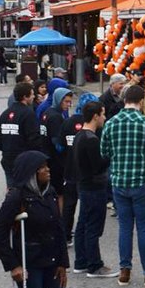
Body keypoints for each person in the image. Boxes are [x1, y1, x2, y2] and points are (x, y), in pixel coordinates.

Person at [99, 85, 145, 286]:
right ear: (142, 100)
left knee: (125, 227)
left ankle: (124, 271)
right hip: (142, 181)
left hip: (119, 182)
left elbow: (104, 152)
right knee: (144, 228)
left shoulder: (111, 123)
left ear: (125, 99)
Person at [0, 150, 69, 288]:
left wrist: (63, 263)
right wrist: (13, 265)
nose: (48, 169)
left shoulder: (50, 192)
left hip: (52, 261)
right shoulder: (16, 197)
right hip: (29, 264)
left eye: (47, 166)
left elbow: (59, 228)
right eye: (42, 167)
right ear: (31, 172)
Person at [71, 101, 117, 277]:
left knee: (83, 224)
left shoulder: (80, 136)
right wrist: (109, 155)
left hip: (84, 185)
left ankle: (81, 261)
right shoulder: (91, 139)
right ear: (95, 116)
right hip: (93, 187)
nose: (104, 118)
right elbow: (97, 166)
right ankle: (94, 265)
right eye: (103, 114)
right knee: (92, 227)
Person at [61, 92, 99, 246]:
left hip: (69, 169)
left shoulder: (68, 122)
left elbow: (60, 146)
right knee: (85, 208)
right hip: (84, 173)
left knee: (69, 206)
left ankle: (66, 235)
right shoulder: (91, 126)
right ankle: (81, 236)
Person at [0, 82, 40, 186]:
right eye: (32, 94)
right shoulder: (28, 114)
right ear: (25, 97)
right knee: (24, 192)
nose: (34, 96)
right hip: (23, 161)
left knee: (11, 190)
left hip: (7, 159)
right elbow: (34, 139)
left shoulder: (5, 114)